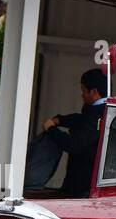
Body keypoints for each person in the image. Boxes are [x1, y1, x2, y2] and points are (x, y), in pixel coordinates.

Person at [33, 69, 107, 197]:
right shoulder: (100, 110)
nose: (81, 94)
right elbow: (81, 119)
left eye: (83, 90)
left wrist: (51, 129)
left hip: (84, 186)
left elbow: (74, 145)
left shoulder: (99, 116)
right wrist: (61, 120)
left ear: (93, 91)